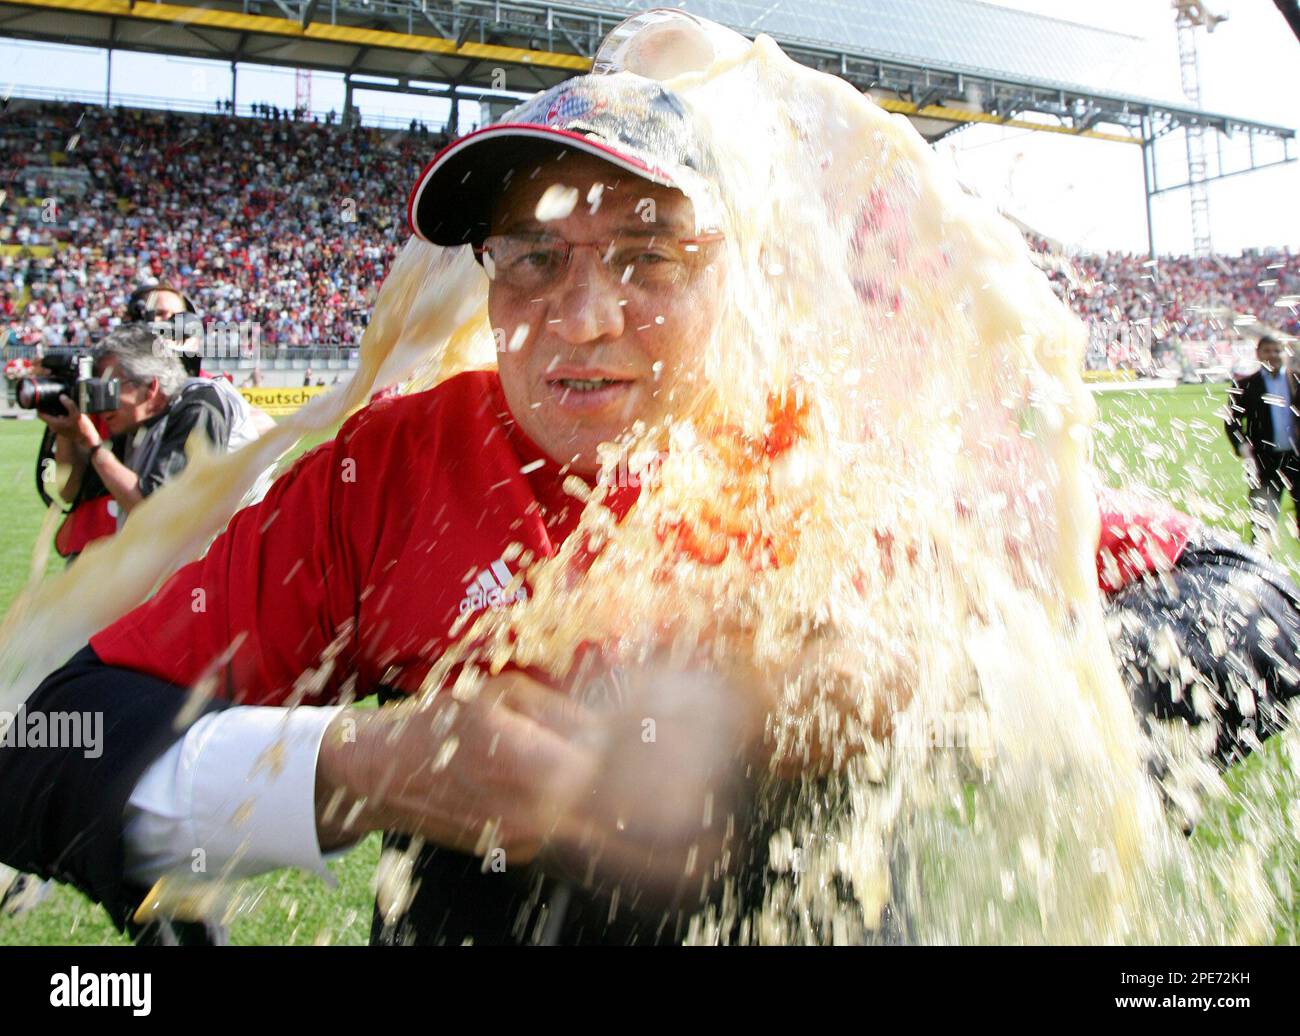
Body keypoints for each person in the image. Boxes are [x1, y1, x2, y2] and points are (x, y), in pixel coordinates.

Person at [2, 69, 1299, 947]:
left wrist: (936, 688)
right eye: (536, 261)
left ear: (732, 271)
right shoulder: (386, 471)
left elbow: (1253, 607)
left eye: (646, 258)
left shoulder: (850, 439)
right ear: (490, 275)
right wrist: (361, 768)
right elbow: (41, 752)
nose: (580, 321)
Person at [38, 325, 233, 527]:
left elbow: (155, 512)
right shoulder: (138, 420)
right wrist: (66, 428)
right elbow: (71, 491)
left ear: (150, 386)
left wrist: (93, 445)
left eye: (109, 388)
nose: (102, 401)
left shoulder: (200, 406)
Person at [1225, 334, 1300, 550]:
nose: (1273, 355)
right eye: (1268, 351)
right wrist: (1242, 446)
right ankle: (1260, 576)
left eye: (1277, 351)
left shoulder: (1297, 381)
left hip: (1296, 461)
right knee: (1262, 524)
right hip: (1263, 463)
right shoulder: (1245, 384)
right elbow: (1231, 420)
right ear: (1258, 354)